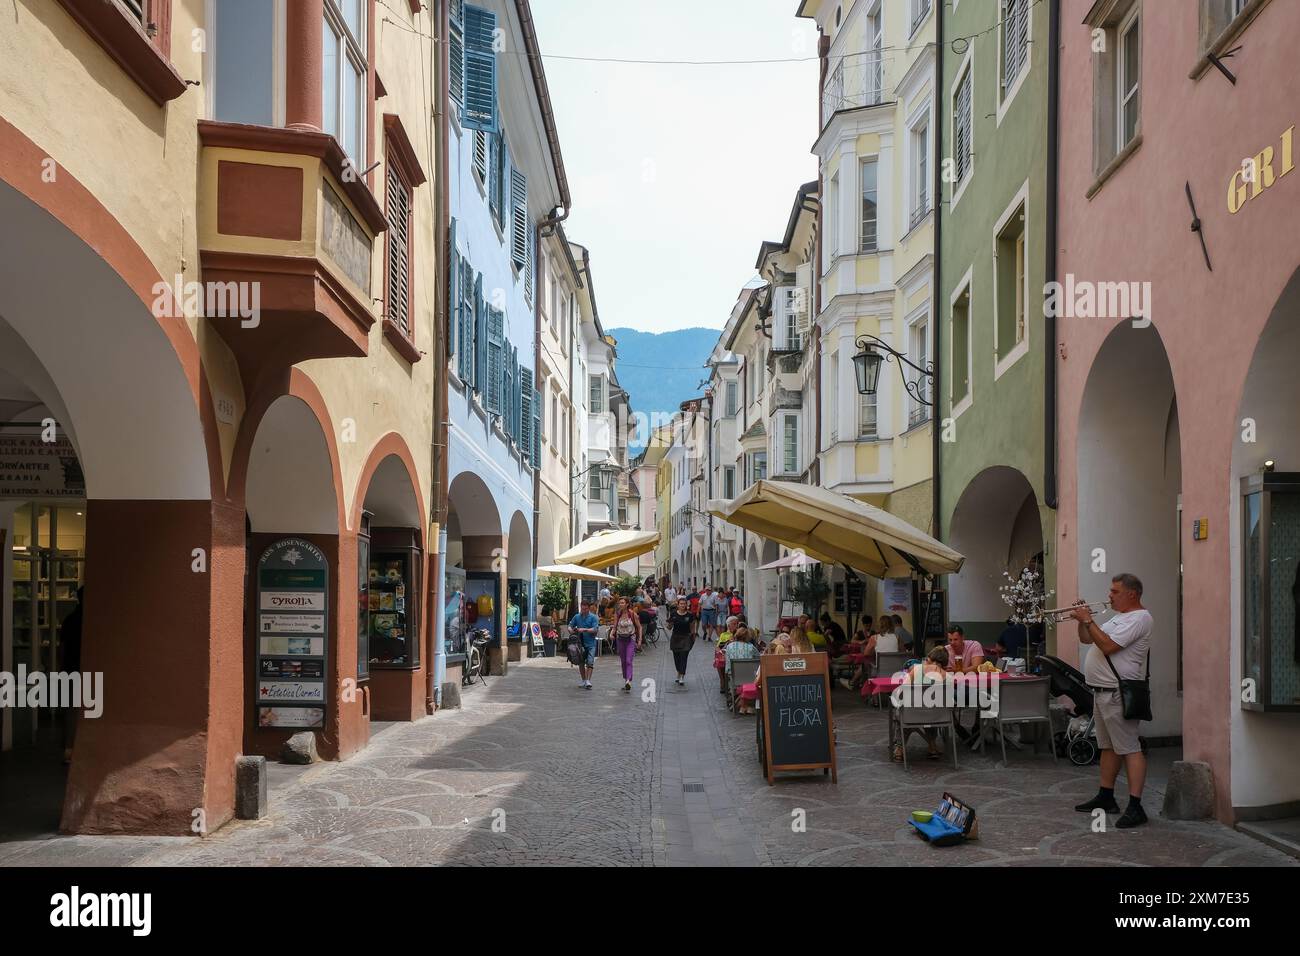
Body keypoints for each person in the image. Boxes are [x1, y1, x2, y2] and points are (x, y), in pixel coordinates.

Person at [1072, 573, 1153, 829]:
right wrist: (1082, 621)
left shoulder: (1141, 618)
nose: (1109, 595)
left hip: (1118, 692)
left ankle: (1136, 806)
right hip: (1102, 691)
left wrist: (1088, 619)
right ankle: (1106, 796)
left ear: (1132, 594)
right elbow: (1087, 639)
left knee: (1130, 748)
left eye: (1114, 591)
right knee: (1107, 747)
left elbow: (1107, 647)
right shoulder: (1119, 618)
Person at [892, 646, 949, 762]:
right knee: (931, 708)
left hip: (912, 715)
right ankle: (932, 746)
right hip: (937, 717)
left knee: (904, 710)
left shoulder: (917, 670)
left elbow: (903, 690)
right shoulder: (948, 677)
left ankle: (899, 748)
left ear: (929, 659)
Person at [60, 586, 84, 763]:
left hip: (71, 668)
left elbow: (63, 648)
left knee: (72, 709)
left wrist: (61, 669)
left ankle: (69, 748)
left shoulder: (69, 620)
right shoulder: (94, 620)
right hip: (88, 669)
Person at [724, 625, 761, 714]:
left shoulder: (729, 646)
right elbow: (759, 659)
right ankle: (746, 706)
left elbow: (728, 664)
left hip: (735, 677)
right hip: (750, 677)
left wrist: (728, 672)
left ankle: (743, 706)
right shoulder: (751, 647)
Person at [611, 597, 642, 692]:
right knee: (623, 661)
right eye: (620, 603)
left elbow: (639, 627)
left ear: (627, 604)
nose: (620, 605)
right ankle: (626, 679)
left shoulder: (632, 614)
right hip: (620, 639)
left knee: (628, 660)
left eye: (622, 603)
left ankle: (628, 681)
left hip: (630, 639)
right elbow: (615, 626)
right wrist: (611, 633)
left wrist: (639, 640)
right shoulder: (618, 614)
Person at [568, 599, 601, 690]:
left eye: (586, 609)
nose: (584, 610)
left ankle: (588, 680)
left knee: (590, 662)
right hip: (580, 643)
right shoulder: (577, 617)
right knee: (581, 662)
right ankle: (583, 680)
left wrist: (584, 630)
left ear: (589, 608)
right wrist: (570, 630)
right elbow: (570, 625)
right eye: (582, 609)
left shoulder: (594, 617)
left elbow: (595, 629)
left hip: (591, 643)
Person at [668, 596, 696, 686]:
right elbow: (670, 627)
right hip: (675, 637)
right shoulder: (673, 614)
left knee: (684, 656)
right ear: (678, 605)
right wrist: (668, 624)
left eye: (684, 604)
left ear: (686, 605)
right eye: (681, 604)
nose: (683, 605)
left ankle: (682, 676)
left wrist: (693, 637)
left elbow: (692, 627)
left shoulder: (690, 615)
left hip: (686, 638)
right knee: (676, 658)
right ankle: (678, 672)